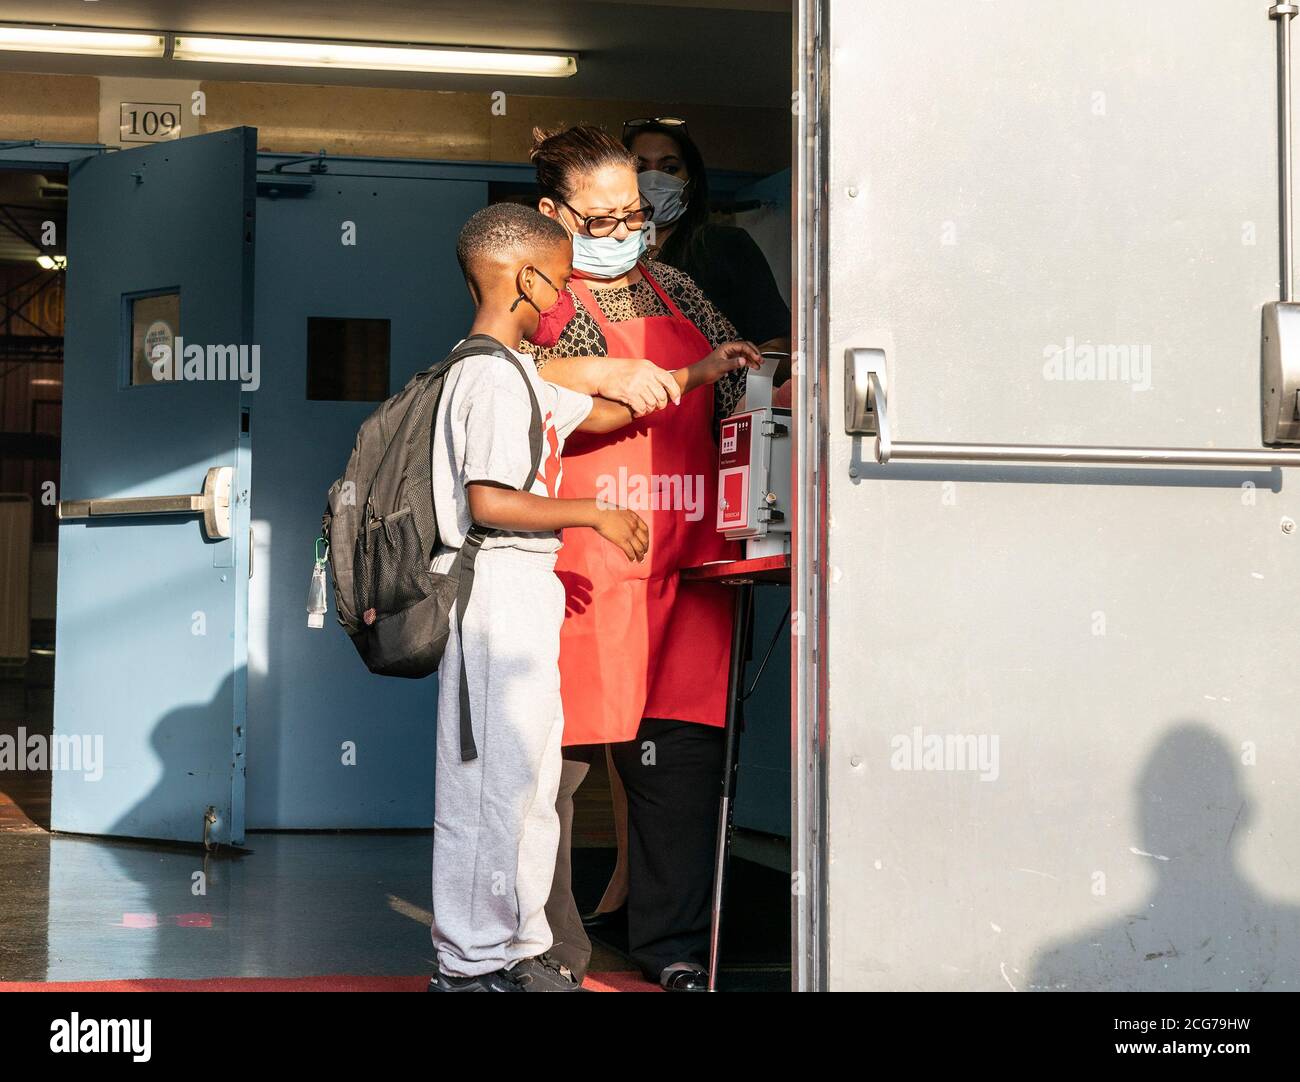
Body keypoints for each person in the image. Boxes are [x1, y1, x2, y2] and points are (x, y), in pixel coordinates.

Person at [427, 201, 753, 992]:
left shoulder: (521, 376)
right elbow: (492, 502)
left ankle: (519, 948)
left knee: (535, 788)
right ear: (531, 278)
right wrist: (593, 512)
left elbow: (603, 410)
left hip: (531, 588)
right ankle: (466, 963)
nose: (571, 298)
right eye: (564, 280)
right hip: (495, 586)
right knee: (490, 794)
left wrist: (695, 374)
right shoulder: (487, 377)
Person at [524, 124, 762, 991]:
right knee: (552, 778)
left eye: (634, 211)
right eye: (604, 215)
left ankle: (673, 950)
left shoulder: (680, 289)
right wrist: (606, 380)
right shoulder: (536, 297)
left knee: (680, 777)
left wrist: (749, 374)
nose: (628, 226)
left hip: (689, 575)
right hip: (580, 575)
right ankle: (546, 954)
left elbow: (737, 387)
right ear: (556, 215)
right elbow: (535, 402)